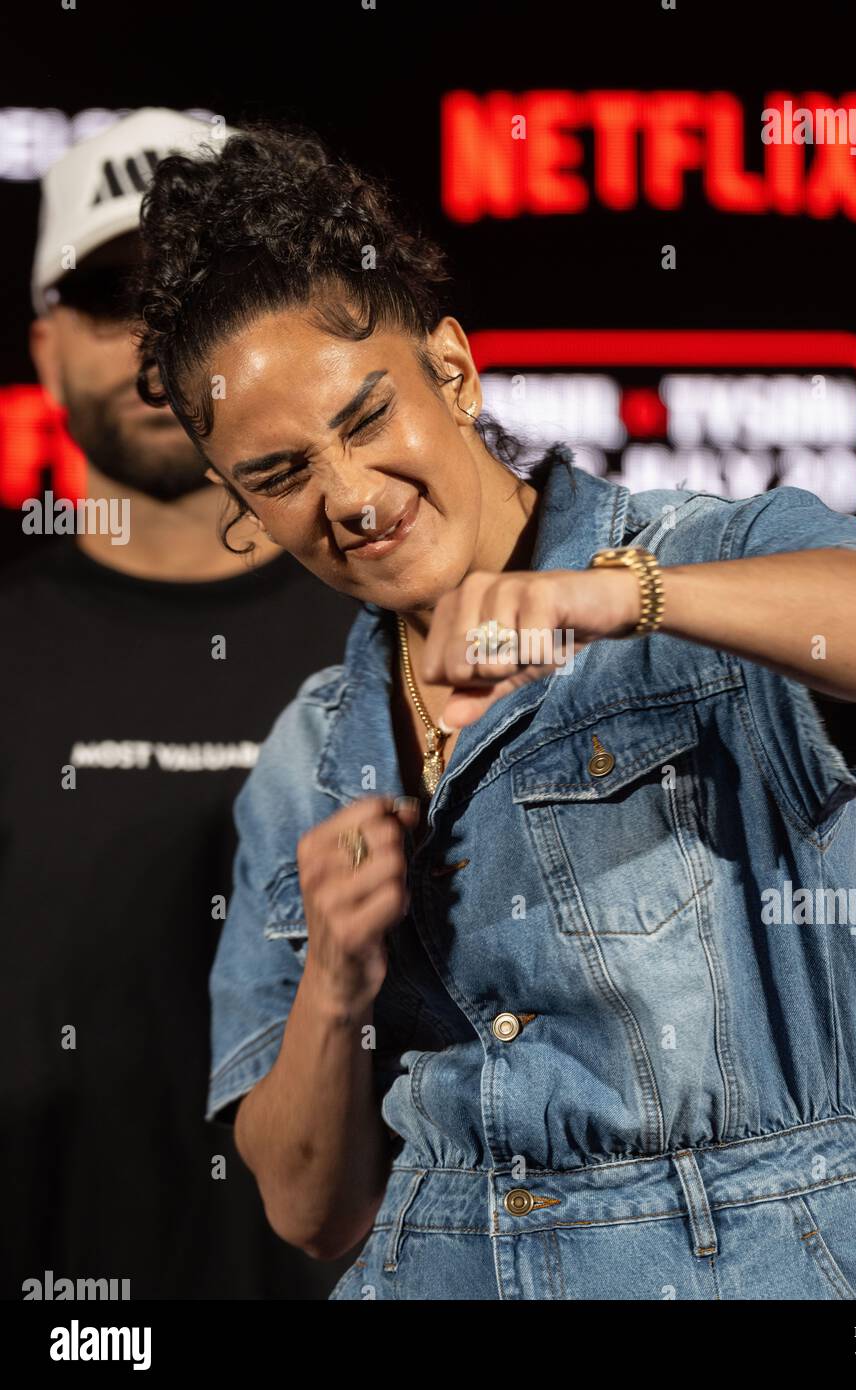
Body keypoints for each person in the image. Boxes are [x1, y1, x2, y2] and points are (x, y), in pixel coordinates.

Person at [132, 120, 856, 1300]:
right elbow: (308, 1209)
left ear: (453, 368)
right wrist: (334, 974)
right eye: (278, 478)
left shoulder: (699, 562)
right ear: (239, 504)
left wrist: (605, 599)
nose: (350, 497)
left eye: (366, 417)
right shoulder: (310, 753)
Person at [0, 109, 361, 1300]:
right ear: (47, 345)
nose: (154, 348)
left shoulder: (404, 636)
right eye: (112, 299)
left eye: (188, 295)